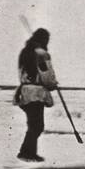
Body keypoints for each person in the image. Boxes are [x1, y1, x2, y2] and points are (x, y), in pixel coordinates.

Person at [14, 28, 58, 162]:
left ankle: (28, 152)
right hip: (36, 93)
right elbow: (46, 74)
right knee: (37, 125)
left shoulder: (25, 52)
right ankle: (26, 152)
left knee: (33, 124)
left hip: (25, 92)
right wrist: (52, 84)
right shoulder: (41, 54)